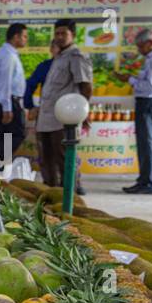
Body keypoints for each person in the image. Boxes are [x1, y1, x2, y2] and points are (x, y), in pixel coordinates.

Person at [35, 19, 92, 193]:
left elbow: (86, 86)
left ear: (73, 35)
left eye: (63, 33)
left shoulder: (76, 56)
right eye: (57, 33)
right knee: (46, 158)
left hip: (63, 119)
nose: (59, 37)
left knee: (64, 158)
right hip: (46, 117)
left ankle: (69, 197)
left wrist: (83, 113)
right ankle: (50, 195)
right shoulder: (59, 57)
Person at [124, 28, 152, 194]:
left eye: (140, 46)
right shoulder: (151, 58)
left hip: (149, 102)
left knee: (147, 143)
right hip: (149, 102)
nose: (138, 50)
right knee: (147, 143)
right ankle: (145, 180)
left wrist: (130, 79)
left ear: (150, 43)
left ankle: (147, 182)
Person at [0, 23, 28, 177]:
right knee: (17, 134)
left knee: (5, 137)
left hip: (7, 100)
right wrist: (7, 108)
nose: (26, 40)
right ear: (15, 36)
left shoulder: (6, 53)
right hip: (9, 101)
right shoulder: (8, 56)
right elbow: (5, 83)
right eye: (24, 36)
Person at [24, 41, 60, 113]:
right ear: (51, 49)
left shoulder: (73, 66)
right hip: (48, 111)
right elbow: (29, 85)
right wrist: (30, 106)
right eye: (59, 47)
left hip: (69, 110)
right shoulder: (45, 66)